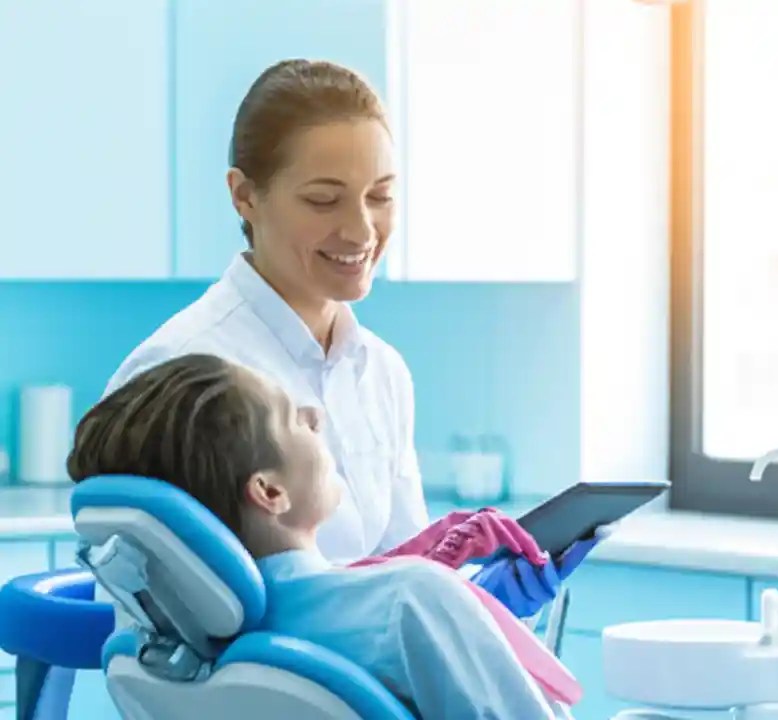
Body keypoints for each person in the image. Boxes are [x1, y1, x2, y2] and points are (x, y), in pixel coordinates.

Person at [105, 58, 586, 615]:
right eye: (323, 200)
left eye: (380, 196)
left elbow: (399, 582)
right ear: (245, 196)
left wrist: (480, 598)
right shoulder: (181, 369)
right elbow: (153, 624)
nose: (361, 230)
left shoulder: (382, 372)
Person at [69, 353, 577, 718]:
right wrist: (452, 613)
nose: (315, 415)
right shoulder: (409, 603)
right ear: (269, 491)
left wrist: (470, 614)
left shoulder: (164, 657)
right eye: (292, 417)